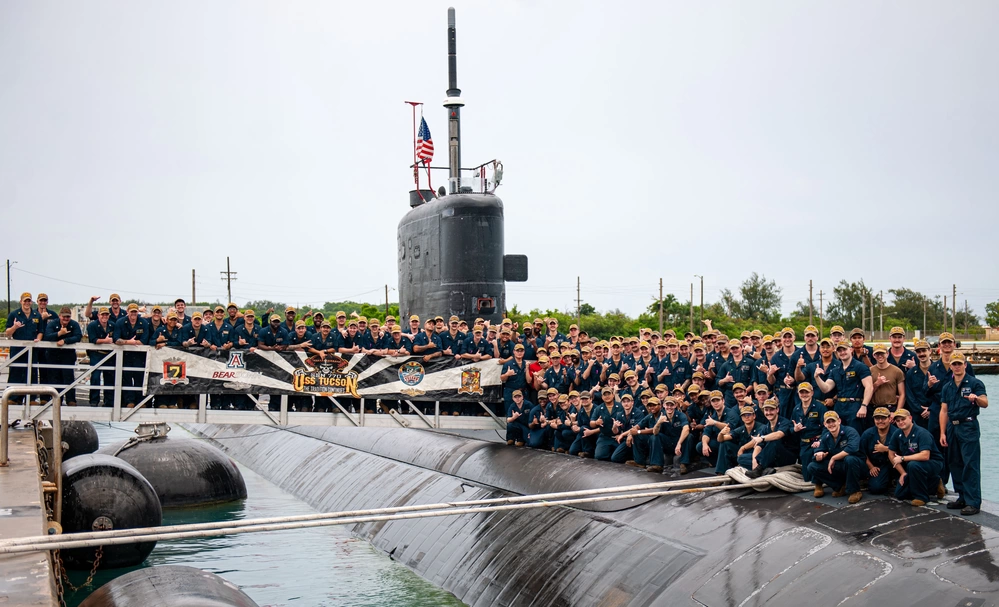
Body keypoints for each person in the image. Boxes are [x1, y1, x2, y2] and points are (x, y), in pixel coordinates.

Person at [939, 351, 989, 515]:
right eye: (954, 364)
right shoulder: (947, 386)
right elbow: (944, 410)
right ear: (951, 366)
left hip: (968, 425)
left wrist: (976, 399)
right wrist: (942, 433)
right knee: (955, 463)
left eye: (960, 363)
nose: (957, 366)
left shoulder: (975, 383)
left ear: (965, 365)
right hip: (952, 427)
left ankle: (973, 501)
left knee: (970, 464)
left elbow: (985, 403)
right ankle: (962, 496)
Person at [889, 408, 946, 506]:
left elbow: (925, 455)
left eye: (903, 419)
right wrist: (902, 473)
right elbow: (891, 453)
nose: (900, 422)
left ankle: (921, 497)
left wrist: (903, 458)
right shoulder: (897, 433)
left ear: (910, 418)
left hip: (933, 463)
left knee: (913, 465)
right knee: (900, 494)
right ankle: (934, 484)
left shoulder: (922, 433)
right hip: (912, 465)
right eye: (898, 421)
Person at [813, 342, 873, 435]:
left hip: (855, 406)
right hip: (839, 407)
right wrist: (817, 377)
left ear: (851, 349)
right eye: (839, 351)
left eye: (844, 349)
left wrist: (864, 406)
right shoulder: (836, 370)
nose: (842, 352)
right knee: (840, 435)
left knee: (854, 435)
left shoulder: (860, 367)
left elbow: (869, 387)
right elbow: (826, 388)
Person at [809, 411, 865, 504]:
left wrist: (833, 458)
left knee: (850, 459)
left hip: (857, 467)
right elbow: (818, 451)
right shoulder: (826, 436)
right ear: (824, 424)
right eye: (828, 422)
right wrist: (819, 455)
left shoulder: (850, 431)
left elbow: (852, 448)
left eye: (833, 421)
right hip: (841, 467)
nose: (831, 424)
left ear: (839, 421)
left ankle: (855, 491)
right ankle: (840, 486)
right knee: (812, 466)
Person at [743, 399, 796, 478]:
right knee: (742, 458)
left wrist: (762, 438)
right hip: (772, 457)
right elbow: (759, 445)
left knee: (773, 441)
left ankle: (760, 468)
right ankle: (765, 469)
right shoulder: (766, 427)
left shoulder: (785, 422)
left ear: (777, 410)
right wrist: (754, 460)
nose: (768, 413)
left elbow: (778, 435)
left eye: (771, 410)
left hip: (787, 456)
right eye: (766, 410)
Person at [5, 293, 42, 402]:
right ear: (21, 301)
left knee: (32, 373)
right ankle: (13, 398)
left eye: (29, 301)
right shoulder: (14, 314)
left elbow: (41, 331)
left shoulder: (36, 315)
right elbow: (7, 333)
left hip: (32, 349)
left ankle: (31, 398)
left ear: (31, 302)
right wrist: (14, 327)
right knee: (16, 372)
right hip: (17, 349)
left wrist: (38, 339)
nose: (27, 303)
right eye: (25, 301)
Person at [43, 307, 83, 406]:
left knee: (68, 377)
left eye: (68, 317)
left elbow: (78, 336)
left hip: (67, 355)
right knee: (54, 377)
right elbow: (46, 336)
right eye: (64, 316)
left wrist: (65, 340)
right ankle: (56, 400)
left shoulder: (74, 324)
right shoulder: (52, 324)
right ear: (60, 316)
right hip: (53, 355)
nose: (66, 319)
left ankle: (71, 400)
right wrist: (59, 333)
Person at [113, 303, 150, 407]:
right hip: (125, 355)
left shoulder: (143, 322)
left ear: (138, 312)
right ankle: (130, 401)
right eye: (131, 311)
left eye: (135, 311)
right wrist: (129, 342)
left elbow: (144, 341)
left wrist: (127, 341)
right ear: (127, 312)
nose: (133, 313)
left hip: (139, 356)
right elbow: (116, 339)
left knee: (140, 378)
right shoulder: (120, 322)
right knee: (126, 378)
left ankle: (140, 402)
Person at [859, 407, 901, 496]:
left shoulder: (897, 432)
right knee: (876, 488)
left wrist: (886, 449)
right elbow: (862, 453)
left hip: (894, 465)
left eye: (883, 418)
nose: (880, 421)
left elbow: (903, 451)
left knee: (902, 491)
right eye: (877, 418)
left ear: (890, 419)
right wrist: (871, 467)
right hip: (877, 465)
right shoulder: (867, 433)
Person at [791, 383, 824, 482]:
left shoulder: (820, 407)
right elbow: (791, 427)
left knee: (815, 468)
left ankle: (819, 484)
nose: (804, 395)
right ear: (798, 393)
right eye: (802, 392)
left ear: (812, 393)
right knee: (807, 478)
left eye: (807, 392)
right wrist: (794, 429)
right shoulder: (796, 409)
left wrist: (821, 441)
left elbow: (827, 427)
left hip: (817, 442)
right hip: (804, 444)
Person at [85, 306, 116, 406]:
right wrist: (105, 341)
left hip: (109, 355)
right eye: (102, 314)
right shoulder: (92, 326)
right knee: (95, 378)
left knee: (110, 378)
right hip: (96, 354)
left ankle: (109, 402)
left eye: (106, 314)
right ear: (98, 315)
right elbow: (93, 340)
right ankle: (94, 401)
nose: (104, 316)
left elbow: (116, 338)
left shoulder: (112, 325)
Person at [716, 406, 760, 475]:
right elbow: (721, 439)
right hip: (742, 454)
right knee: (725, 444)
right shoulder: (741, 429)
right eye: (744, 415)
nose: (746, 417)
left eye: (749, 414)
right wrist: (721, 433)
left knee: (742, 458)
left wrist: (743, 448)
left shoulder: (761, 427)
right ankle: (720, 473)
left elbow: (756, 440)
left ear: (754, 416)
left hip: (755, 455)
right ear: (741, 418)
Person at [869, 344, 906, 417]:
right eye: (877, 354)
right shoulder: (869, 371)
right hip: (873, 408)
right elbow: (866, 393)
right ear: (873, 356)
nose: (880, 356)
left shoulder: (897, 371)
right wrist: (877, 384)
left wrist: (897, 412)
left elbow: (902, 394)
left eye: (882, 353)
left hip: (891, 408)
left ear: (887, 354)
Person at [570, 392, 599, 458]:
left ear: (591, 399)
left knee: (583, 429)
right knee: (572, 451)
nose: (584, 401)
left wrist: (591, 431)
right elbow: (579, 426)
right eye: (582, 399)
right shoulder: (581, 411)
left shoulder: (598, 409)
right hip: (584, 434)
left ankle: (588, 451)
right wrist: (575, 428)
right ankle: (584, 450)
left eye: (586, 399)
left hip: (596, 433)